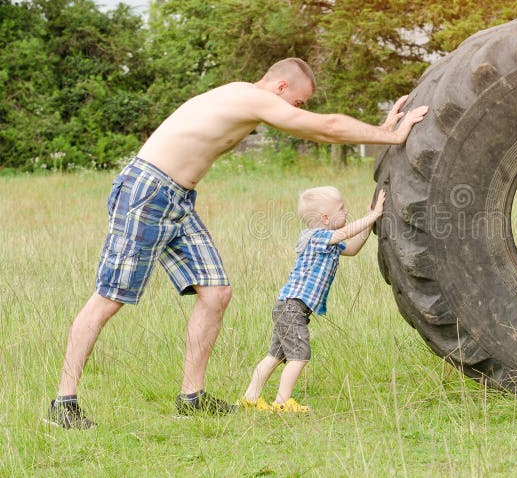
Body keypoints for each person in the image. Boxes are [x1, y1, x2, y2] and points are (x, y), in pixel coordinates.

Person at [46, 58, 428, 429]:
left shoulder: (244, 100)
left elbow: (323, 123)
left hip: (178, 199)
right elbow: (324, 127)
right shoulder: (251, 97)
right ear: (280, 86)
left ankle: (191, 397)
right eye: (297, 102)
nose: (297, 110)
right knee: (108, 299)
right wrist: (390, 134)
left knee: (216, 292)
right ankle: (63, 402)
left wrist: (379, 128)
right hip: (147, 192)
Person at [240, 186, 386, 413]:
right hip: (292, 307)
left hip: (289, 306)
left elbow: (353, 248)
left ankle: (250, 398)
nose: (346, 212)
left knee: (275, 356)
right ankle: (282, 402)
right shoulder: (316, 237)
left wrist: (368, 225)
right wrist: (373, 214)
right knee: (299, 356)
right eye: (342, 208)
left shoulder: (330, 242)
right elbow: (345, 233)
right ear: (326, 218)